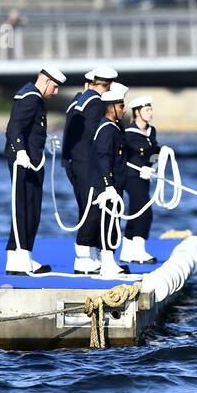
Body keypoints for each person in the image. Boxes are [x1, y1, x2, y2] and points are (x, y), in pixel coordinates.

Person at [3, 66, 65, 275]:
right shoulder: (31, 97)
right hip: (24, 162)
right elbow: (14, 127)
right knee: (25, 208)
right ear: (45, 81)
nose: (55, 92)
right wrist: (21, 151)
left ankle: (21, 255)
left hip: (32, 160)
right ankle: (19, 256)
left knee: (30, 208)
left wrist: (43, 143)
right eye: (54, 87)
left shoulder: (33, 97)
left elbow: (31, 130)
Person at [63, 66, 117, 274]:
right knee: (91, 209)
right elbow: (96, 135)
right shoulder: (94, 102)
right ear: (108, 85)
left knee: (87, 207)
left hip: (75, 162)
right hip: (86, 163)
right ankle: (84, 257)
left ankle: (91, 255)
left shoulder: (78, 100)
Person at [87, 82, 130, 276]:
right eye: (121, 106)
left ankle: (110, 258)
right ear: (111, 107)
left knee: (113, 222)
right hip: (106, 186)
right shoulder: (106, 129)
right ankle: (106, 260)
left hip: (115, 184)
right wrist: (108, 185)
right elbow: (102, 157)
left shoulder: (115, 128)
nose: (124, 109)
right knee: (107, 222)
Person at [121, 94, 161, 263]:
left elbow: (155, 151)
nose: (150, 112)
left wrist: (152, 166)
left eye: (151, 109)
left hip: (145, 176)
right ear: (137, 112)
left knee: (136, 210)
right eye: (147, 109)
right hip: (131, 176)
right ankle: (139, 250)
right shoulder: (129, 133)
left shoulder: (151, 131)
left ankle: (127, 250)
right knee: (144, 210)